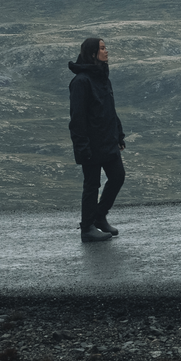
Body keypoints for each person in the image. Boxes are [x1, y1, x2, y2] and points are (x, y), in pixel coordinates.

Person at [68, 37, 126, 243]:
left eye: (105, 48)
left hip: (108, 141)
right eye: (102, 49)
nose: (106, 51)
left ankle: (100, 217)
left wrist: (119, 134)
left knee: (118, 176)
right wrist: (82, 147)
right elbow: (78, 118)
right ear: (92, 54)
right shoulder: (81, 82)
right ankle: (87, 229)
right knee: (92, 185)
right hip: (91, 145)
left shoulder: (103, 78)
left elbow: (110, 110)